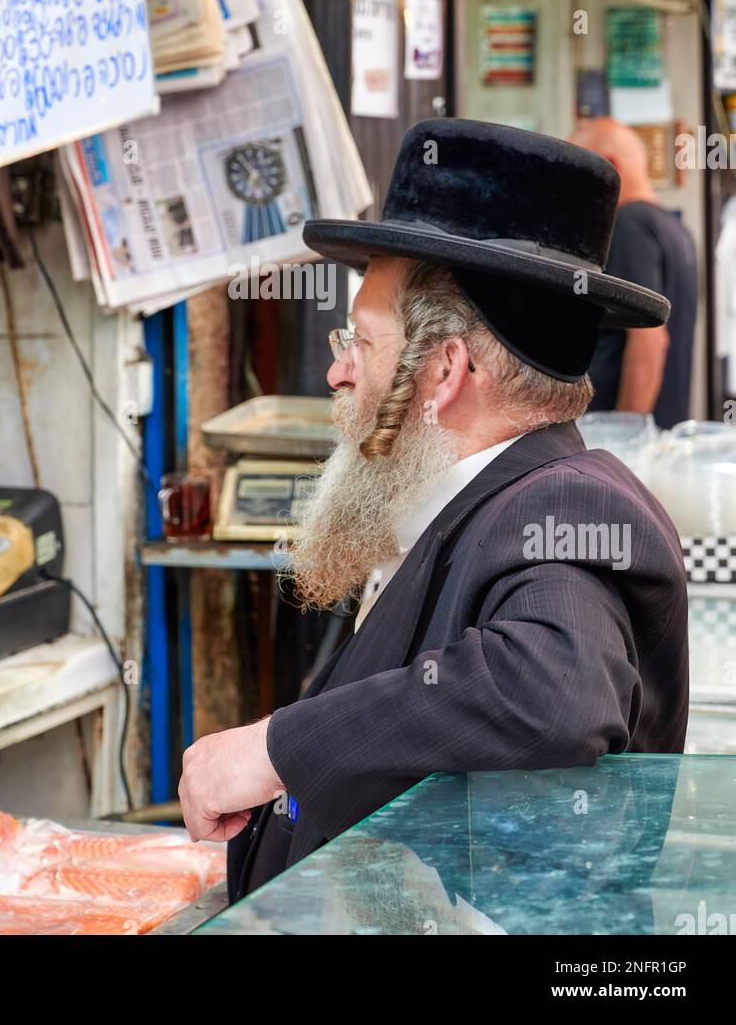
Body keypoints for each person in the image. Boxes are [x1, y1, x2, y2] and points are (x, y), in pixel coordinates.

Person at [178, 118, 689, 902]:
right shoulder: (475, 503)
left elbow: (554, 692)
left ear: (445, 369)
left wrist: (278, 747)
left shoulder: (564, 501)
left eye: (361, 341)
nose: (339, 371)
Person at [570, 117, 697, 429]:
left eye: (578, 173)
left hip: (631, 438)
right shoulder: (674, 227)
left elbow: (649, 342)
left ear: (610, 167)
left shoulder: (629, 224)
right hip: (664, 428)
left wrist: (625, 441)